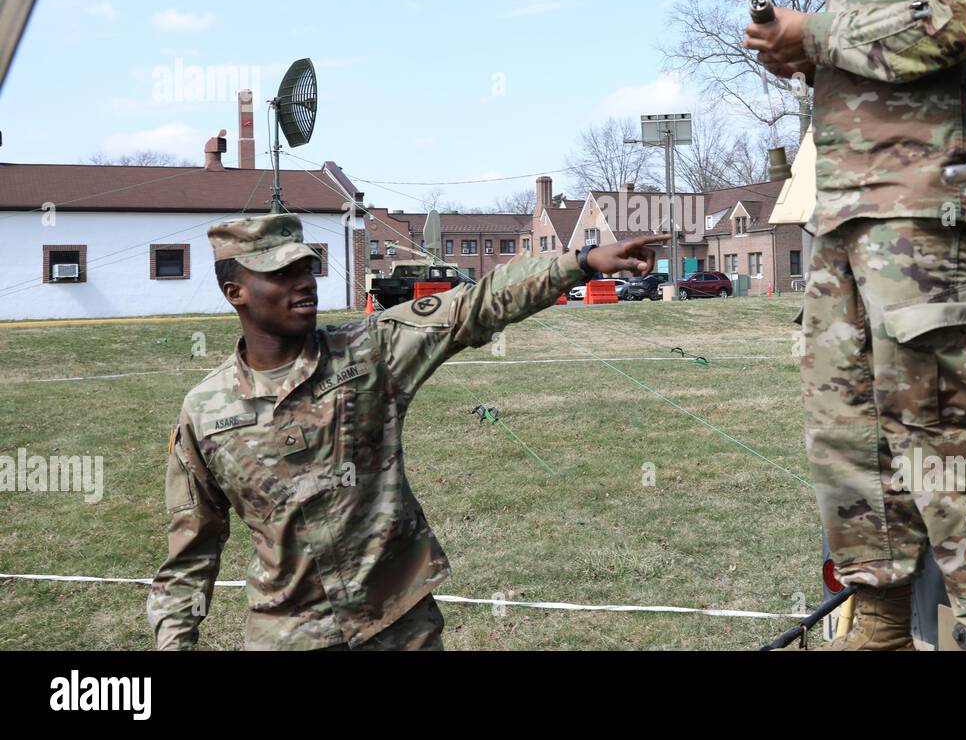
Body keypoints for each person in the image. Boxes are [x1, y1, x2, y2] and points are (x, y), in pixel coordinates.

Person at [146, 213, 664, 650]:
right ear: (235, 291)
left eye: (307, 267)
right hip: (288, 636)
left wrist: (582, 262)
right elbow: (191, 546)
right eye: (281, 274)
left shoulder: (370, 352)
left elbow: (475, 303)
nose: (304, 281)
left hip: (397, 624)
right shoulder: (206, 411)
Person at [740, 0, 966, 650]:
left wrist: (821, 34)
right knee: (852, 445)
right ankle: (876, 620)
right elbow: (882, 55)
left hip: (921, 226)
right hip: (849, 224)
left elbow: (960, 23)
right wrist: (803, 59)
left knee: (942, 451)